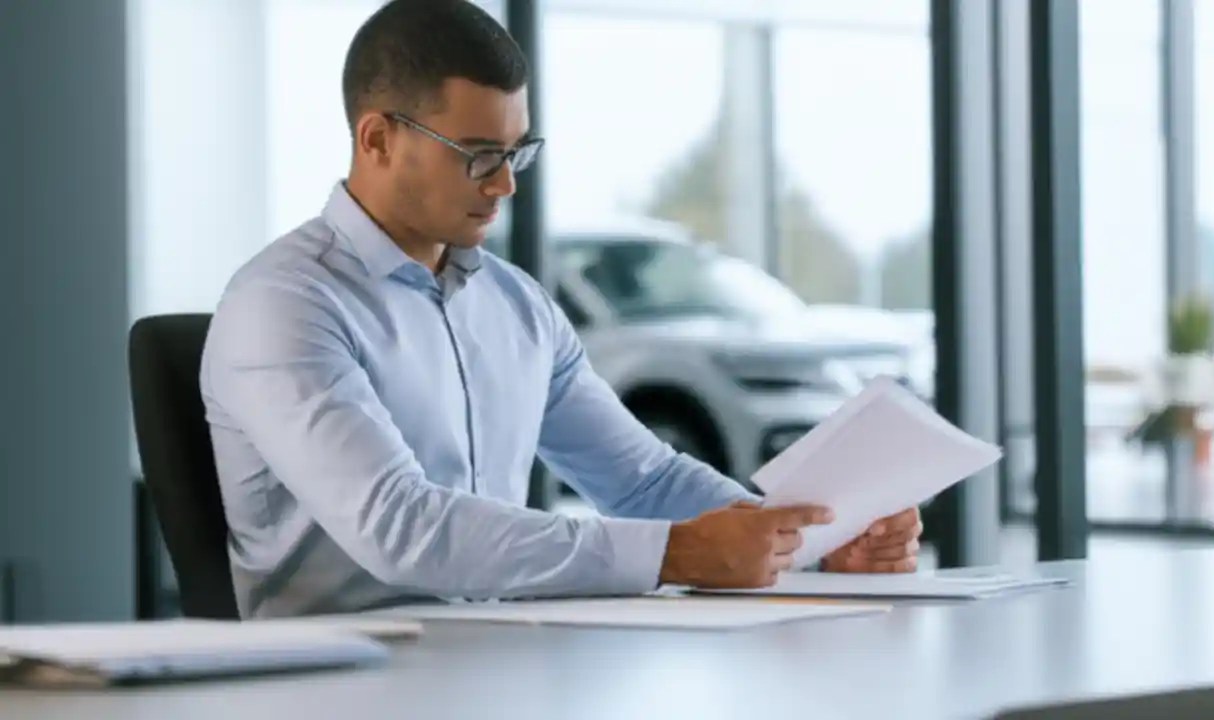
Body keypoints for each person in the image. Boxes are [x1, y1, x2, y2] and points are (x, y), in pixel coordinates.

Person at [201, 0, 922, 619]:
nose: (504, 186)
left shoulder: (515, 305)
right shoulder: (284, 304)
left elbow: (645, 481)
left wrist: (805, 540)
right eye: (479, 155)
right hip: (348, 685)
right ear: (378, 139)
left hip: (509, 663)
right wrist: (675, 552)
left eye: (517, 153)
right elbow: (401, 526)